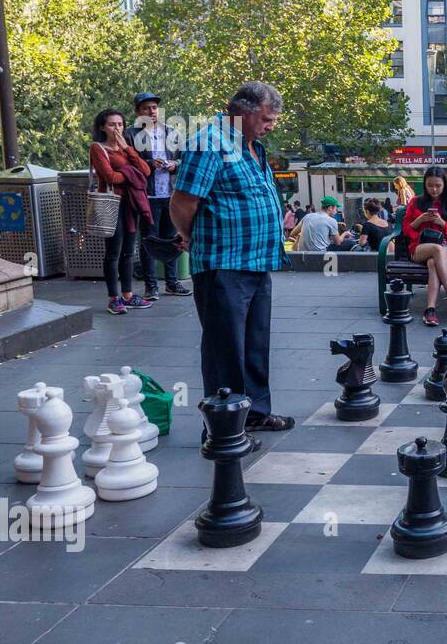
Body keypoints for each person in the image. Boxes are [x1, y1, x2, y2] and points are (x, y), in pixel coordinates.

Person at [171, 81, 294, 435]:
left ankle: (253, 414)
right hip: (223, 264)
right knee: (225, 350)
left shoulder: (253, 146)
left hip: (257, 262)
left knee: (255, 346)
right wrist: (192, 236)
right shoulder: (209, 143)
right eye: (268, 118)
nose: (272, 125)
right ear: (243, 111)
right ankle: (224, 429)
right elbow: (182, 203)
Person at [90, 108, 155, 316]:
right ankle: (113, 298)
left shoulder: (126, 148)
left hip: (131, 204)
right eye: (112, 124)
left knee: (129, 251)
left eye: (119, 124)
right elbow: (110, 177)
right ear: (102, 127)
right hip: (112, 203)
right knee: (113, 252)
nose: (117, 128)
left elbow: (145, 171)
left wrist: (128, 150)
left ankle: (127, 295)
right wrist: (131, 174)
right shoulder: (98, 148)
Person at [131, 92, 189, 299]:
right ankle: (151, 286)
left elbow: (185, 159)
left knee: (172, 239)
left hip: (171, 196)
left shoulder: (172, 133)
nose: (151, 112)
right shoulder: (131, 134)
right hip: (147, 196)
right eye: (146, 108)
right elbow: (128, 165)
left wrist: (174, 165)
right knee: (149, 241)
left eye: (154, 108)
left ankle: (172, 283)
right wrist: (148, 165)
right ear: (138, 112)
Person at [402, 166, 447, 326]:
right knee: (436, 250)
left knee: (433, 262)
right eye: (430, 185)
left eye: (438, 185)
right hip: (419, 248)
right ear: (425, 184)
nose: (434, 189)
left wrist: (442, 223)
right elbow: (406, 230)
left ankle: (430, 310)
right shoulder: (415, 202)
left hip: (444, 248)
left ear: (444, 186)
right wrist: (420, 220)